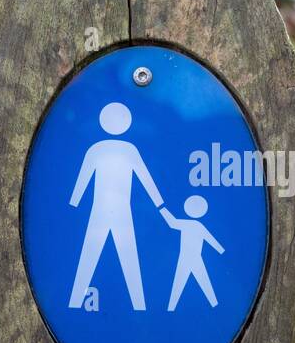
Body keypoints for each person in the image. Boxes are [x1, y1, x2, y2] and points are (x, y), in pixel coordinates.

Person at [68, 102, 163, 310]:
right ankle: (139, 305)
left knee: (92, 253)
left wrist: (74, 203)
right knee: (127, 254)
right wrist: (159, 204)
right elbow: (146, 179)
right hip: (119, 209)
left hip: (102, 209)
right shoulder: (129, 150)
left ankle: (76, 301)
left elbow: (83, 179)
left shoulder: (97, 149)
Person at [159, 195, 224, 311]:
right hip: (191, 257)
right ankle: (214, 305)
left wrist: (162, 209)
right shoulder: (198, 225)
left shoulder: (188, 224)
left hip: (190, 258)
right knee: (199, 282)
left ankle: (171, 308)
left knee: (182, 282)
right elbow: (211, 240)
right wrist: (220, 251)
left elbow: (172, 222)